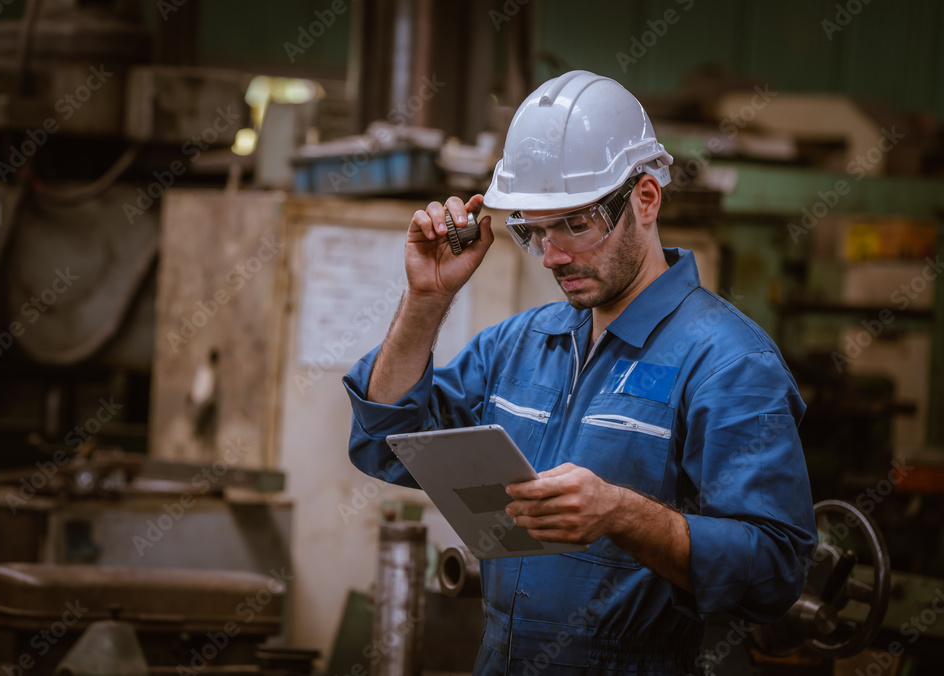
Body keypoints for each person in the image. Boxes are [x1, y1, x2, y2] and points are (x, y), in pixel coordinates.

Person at [343, 70, 817, 675]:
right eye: (534, 231)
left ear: (646, 199)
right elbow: (385, 442)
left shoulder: (729, 363)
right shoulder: (521, 344)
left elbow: (774, 572)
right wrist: (426, 299)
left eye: (575, 224)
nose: (553, 256)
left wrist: (622, 513)